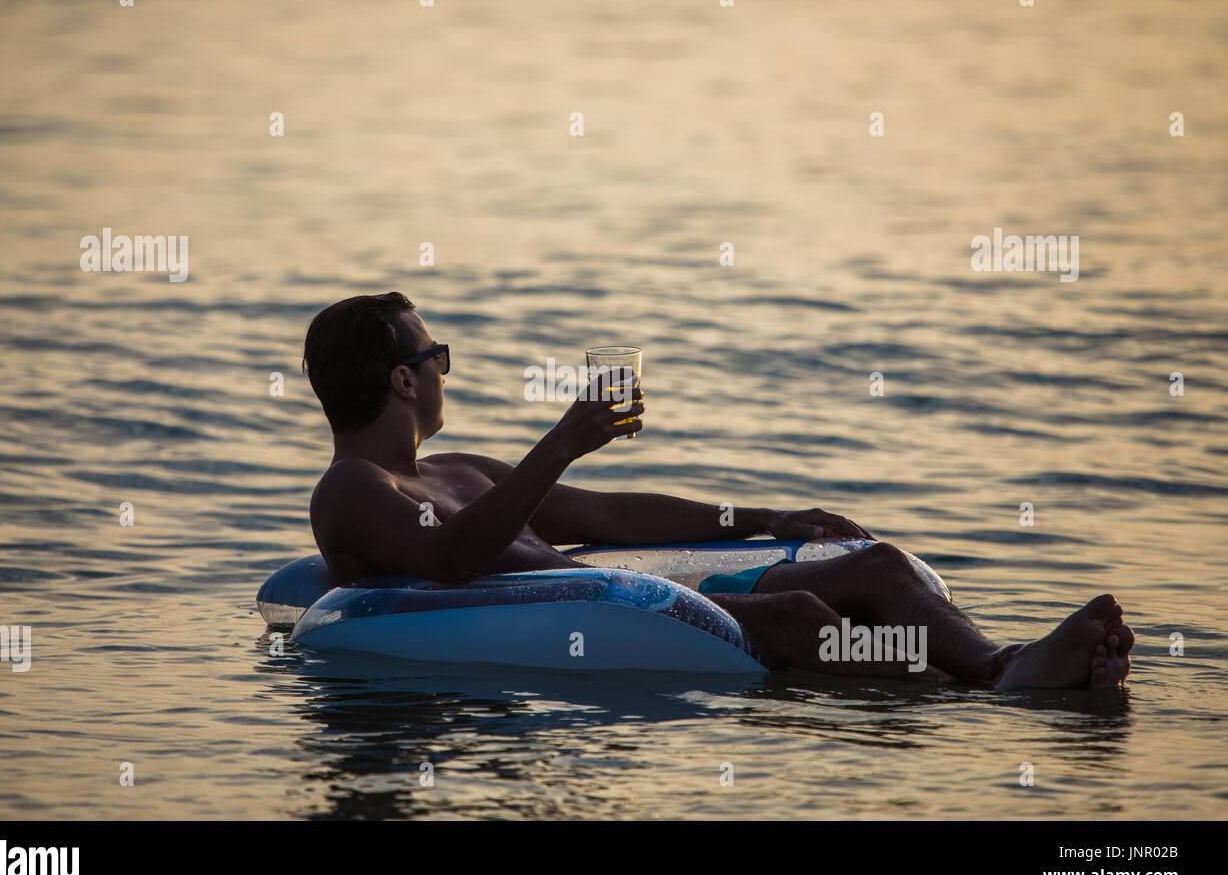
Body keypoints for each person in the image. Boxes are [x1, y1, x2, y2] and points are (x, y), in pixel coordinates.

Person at [302, 293, 1133, 689]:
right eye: (436, 357)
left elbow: (611, 519)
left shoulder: (460, 470)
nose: (446, 372)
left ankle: (1001, 661)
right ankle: (994, 697)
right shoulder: (351, 490)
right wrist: (560, 441)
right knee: (802, 618)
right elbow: (450, 560)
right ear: (404, 382)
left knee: (876, 568)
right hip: (579, 613)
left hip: (621, 589)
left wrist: (765, 517)